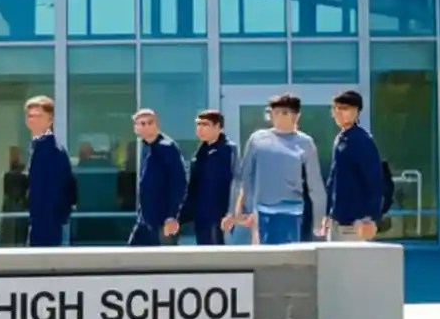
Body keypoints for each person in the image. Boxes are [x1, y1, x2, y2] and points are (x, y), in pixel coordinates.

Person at [236, 93, 328, 245]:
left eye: (284, 112)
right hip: (262, 211)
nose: (278, 116)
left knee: (289, 258)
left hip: (292, 210)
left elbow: (315, 184)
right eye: (275, 112)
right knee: (264, 257)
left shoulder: (305, 142)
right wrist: (243, 208)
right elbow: (246, 176)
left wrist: (319, 218)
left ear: (296, 116)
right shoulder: (258, 139)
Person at [324, 90, 384, 242]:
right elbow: (333, 180)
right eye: (336, 108)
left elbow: (374, 181)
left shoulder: (362, 140)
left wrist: (370, 217)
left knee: (352, 265)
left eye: (345, 109)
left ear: (356, 112)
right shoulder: (340, 138)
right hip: (337, 220)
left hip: (356, 223)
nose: (339, 113)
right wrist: (327, 213)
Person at [128, 109, 187, 247]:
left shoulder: (167, 147)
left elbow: (179, 183)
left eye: (150, 122)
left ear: (157, 124)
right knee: (130, 258)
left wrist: (172, 216)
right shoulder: (144, 147)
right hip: (145, 219)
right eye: (142, 123)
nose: (147, 126)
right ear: (135, 128)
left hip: (163, 220)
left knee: (167, 263)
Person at [181, 110, 240, 246]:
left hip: (218, 214)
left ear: (218, 126)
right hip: (201, 214)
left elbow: (235, 181)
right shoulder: (202, 150)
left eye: (205, 125)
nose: (200, 129)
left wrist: (231, 211)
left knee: (216, 254)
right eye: (198, 125)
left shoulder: (227, 150)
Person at [23, 95, 74, 247]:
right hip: (38, 221)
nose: (33, 120)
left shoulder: (52, 151)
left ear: (50, 120)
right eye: (30, 116)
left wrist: (54, 217)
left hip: (47, 223)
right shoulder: (38, 147)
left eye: (39, 116)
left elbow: (63, 189)